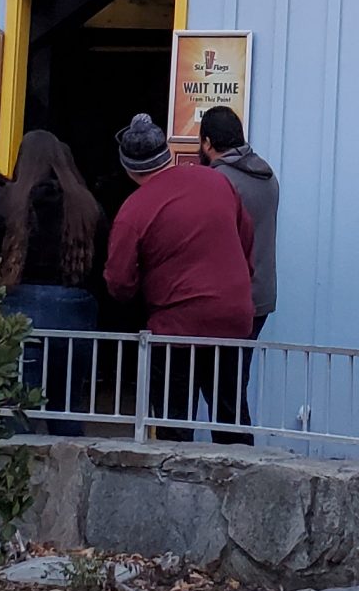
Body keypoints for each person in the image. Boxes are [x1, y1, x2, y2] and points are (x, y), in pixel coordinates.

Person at [101, 113, 257, 441]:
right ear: (167, 153)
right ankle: (245, 483)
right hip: (233, 317)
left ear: (128, 167)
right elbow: (246, 239)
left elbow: (119, 282)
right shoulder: (216, 181)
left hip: (177, 327)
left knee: (175, 420)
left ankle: (176, 483)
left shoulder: (133, 210)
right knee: (231, 415)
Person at [0, 130, 107, 430]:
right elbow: (104, 257)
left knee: (15, 411)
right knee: (66, 410)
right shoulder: (86, 204)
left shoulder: (9, 200)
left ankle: (16, 475)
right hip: (73, 310)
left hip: (18, 309)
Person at [199, 107, 280, 337]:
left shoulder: (218, 180)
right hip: (261, 294)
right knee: (238, 367)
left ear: (207, 143)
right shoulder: (266, 174)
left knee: (217, 370)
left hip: (228, 296)